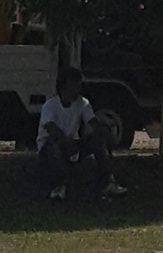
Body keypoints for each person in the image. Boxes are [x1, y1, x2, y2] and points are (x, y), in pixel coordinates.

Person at [36, 66, 126, 201]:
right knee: (54, 144)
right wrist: (67, 142)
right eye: (74, 85)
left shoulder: (83, 103)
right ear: (63, 86)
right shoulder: (50, 105)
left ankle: (108, 182)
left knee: (98, 139)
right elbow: (51, 129)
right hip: (50, 148)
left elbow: (92, 122)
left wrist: (104, 132)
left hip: (73, 144)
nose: (78, 89)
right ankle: (58, 186)